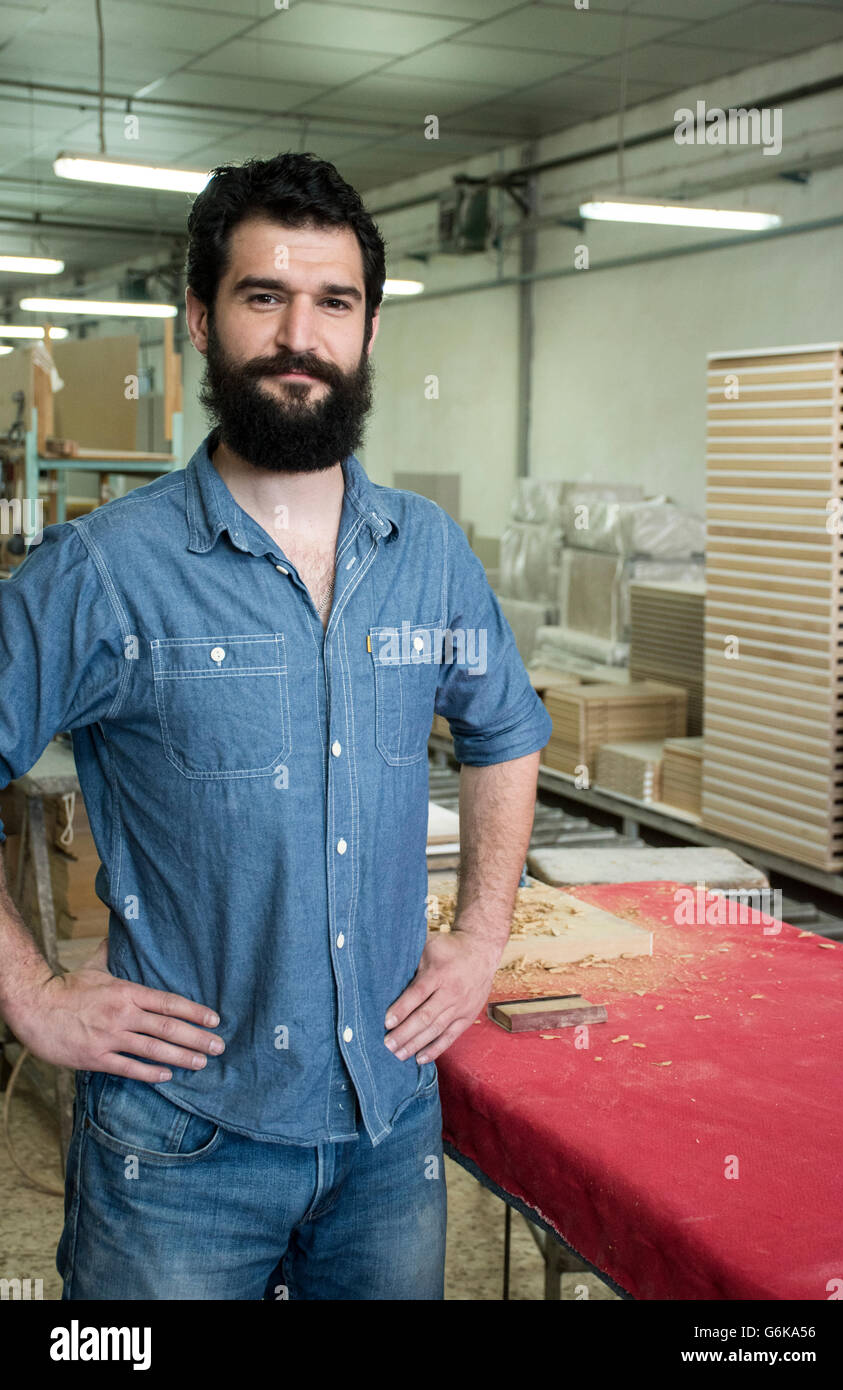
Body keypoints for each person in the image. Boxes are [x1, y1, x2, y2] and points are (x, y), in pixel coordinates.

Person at [0, 152, 553, 1300]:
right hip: (180, 1148)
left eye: (333, 302)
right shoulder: (104, 573)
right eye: (264, 297)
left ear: (367, 329)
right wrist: (32, 994)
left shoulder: (430, 556)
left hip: (387, 1134)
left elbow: (504, 728)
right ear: (200, 320)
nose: (300, 335)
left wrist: (484, 934)